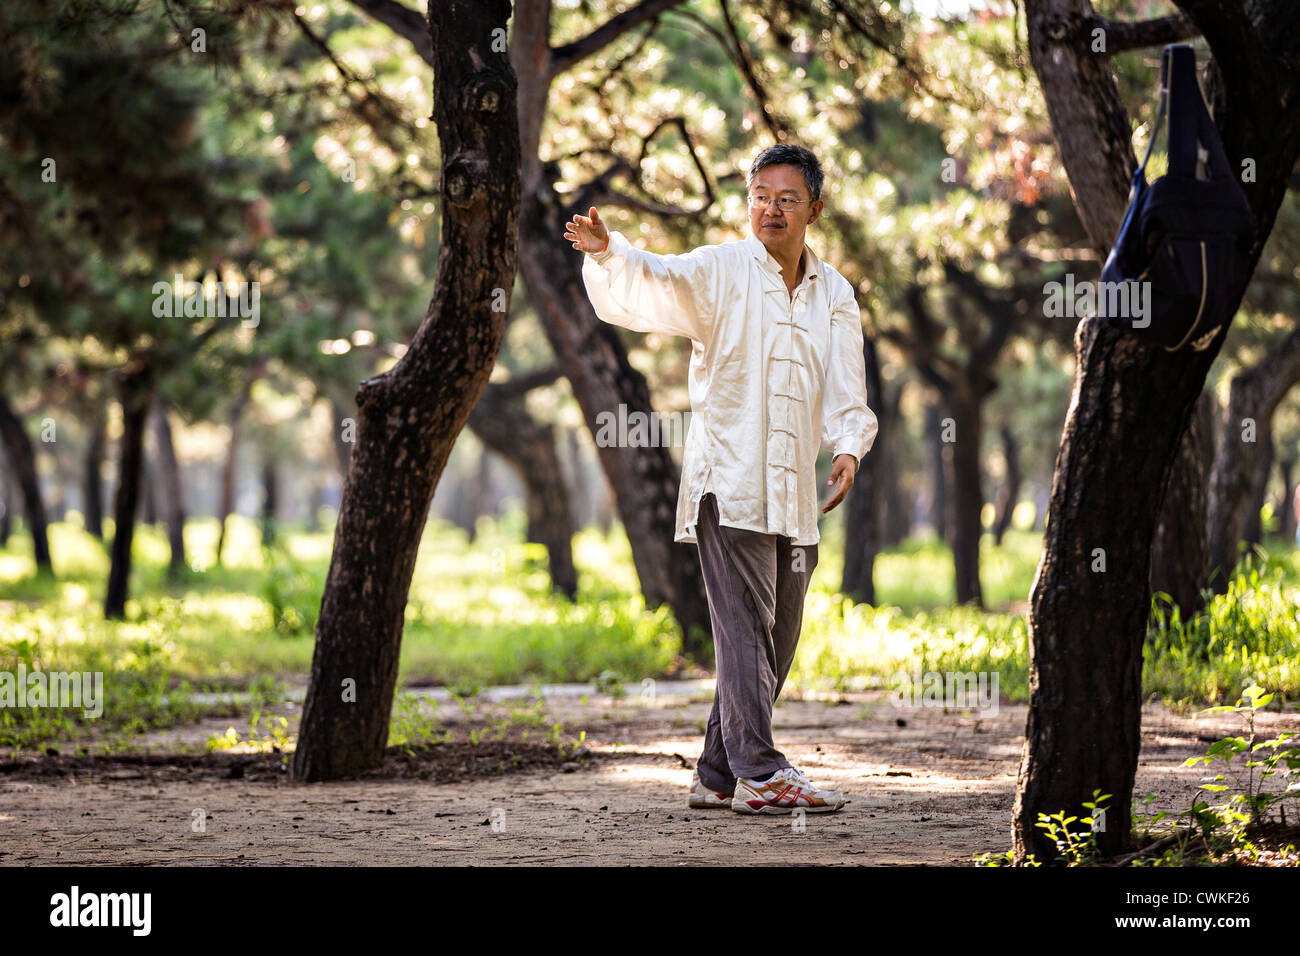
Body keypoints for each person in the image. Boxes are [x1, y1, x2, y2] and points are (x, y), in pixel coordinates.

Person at [564, 143, 878, 815]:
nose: (770, 207)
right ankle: (760, 772)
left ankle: (715, 774)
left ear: (813, 209)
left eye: (786, 198)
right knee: (743, 633)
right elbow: (657, 277)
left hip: (795, 494)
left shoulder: (836, 294)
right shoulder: (721, 270)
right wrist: (607, 252)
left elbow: (849, 385)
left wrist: (848, 446)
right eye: (760, 195)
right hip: (727, 482)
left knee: (776, 638)